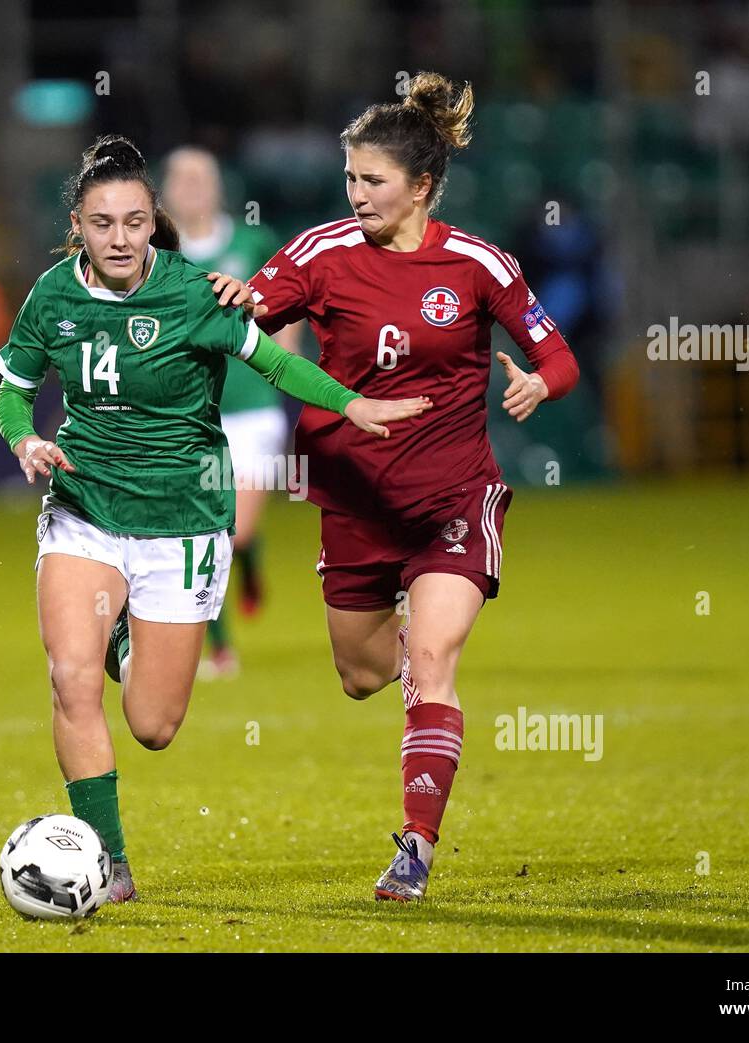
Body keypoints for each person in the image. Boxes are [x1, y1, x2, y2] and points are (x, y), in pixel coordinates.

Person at [0, 135, 431, 903]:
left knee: (154, 724)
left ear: (152, 221)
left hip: (183, 522)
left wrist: (349, 402)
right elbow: (12, 388)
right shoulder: (52, 295)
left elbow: (276, 362)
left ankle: (124, 634)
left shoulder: (197, 294)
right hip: (84, 510)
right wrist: (25, 437)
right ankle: (111, 863)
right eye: (102, 223)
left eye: (134, 221)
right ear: (79, 225)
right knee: (69, 679)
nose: (119, 238)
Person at [227, 72, 581, 901]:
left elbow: (558, 355)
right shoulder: (319, 253)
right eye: (350, 178)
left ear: (421, 185)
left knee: (429, 657)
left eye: (372, 180)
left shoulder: (477, 263)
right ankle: (427, 686)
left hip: (453, 498)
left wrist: (539, 383)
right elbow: (255, 313)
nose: (356, 194)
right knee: (359, 673)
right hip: (352, 499)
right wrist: (235, 302)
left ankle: (415, 847)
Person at [162, 146, 303, 677]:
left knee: (234, 533)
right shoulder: (161, 253)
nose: (193, 187)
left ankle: (250, 559)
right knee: (205, 531)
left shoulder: (252, 241)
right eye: (183, 178)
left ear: (218, 186)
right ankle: (220, 649)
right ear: (168, 189)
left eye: (202, 177)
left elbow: (286, 305)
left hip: (251, 411)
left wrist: (284, 362)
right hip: (192, 414)